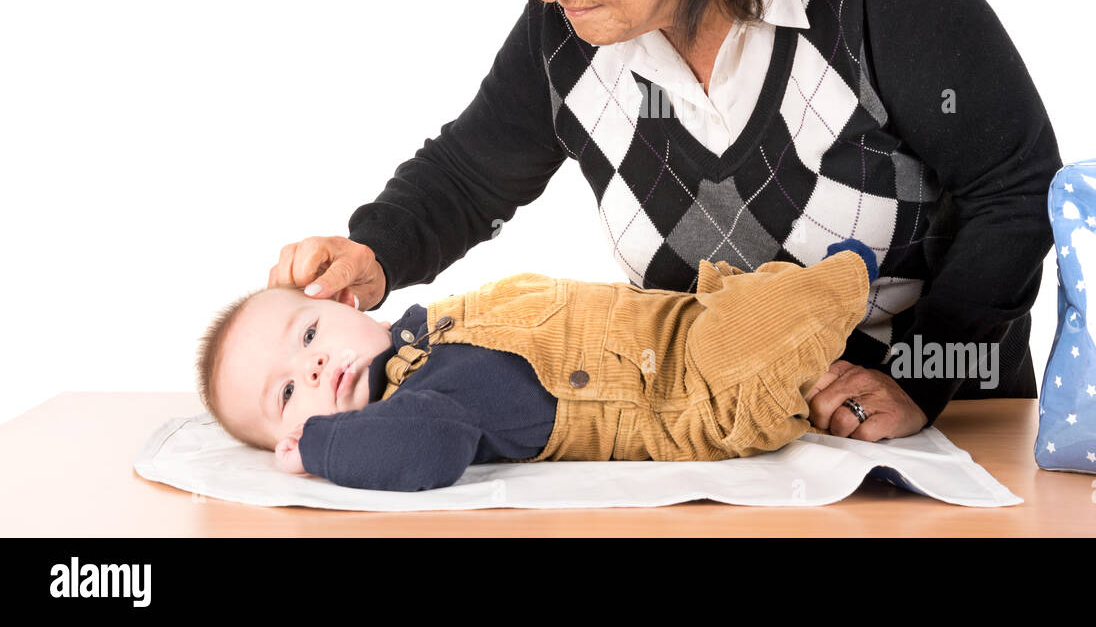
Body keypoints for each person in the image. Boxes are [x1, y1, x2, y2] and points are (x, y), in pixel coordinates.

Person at [267, 0, 1062, 442]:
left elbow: (1016, 187)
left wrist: (920, 379)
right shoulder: (572, 33)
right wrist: (373, 251)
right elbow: (471, 173)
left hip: (942, 436)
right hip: (726, 445)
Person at [198, 243, 878, 492]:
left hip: (679, 323)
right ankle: (851, 276)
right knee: (781, 315)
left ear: (349, 302)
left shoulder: (424, 332)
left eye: (308, 331)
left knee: (749, 294)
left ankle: (815, 331)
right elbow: (427, 455)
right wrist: (316, 449)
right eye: (287, 392)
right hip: (690, 394)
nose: (314, 364)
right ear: (285, 437)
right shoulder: (416, 407)